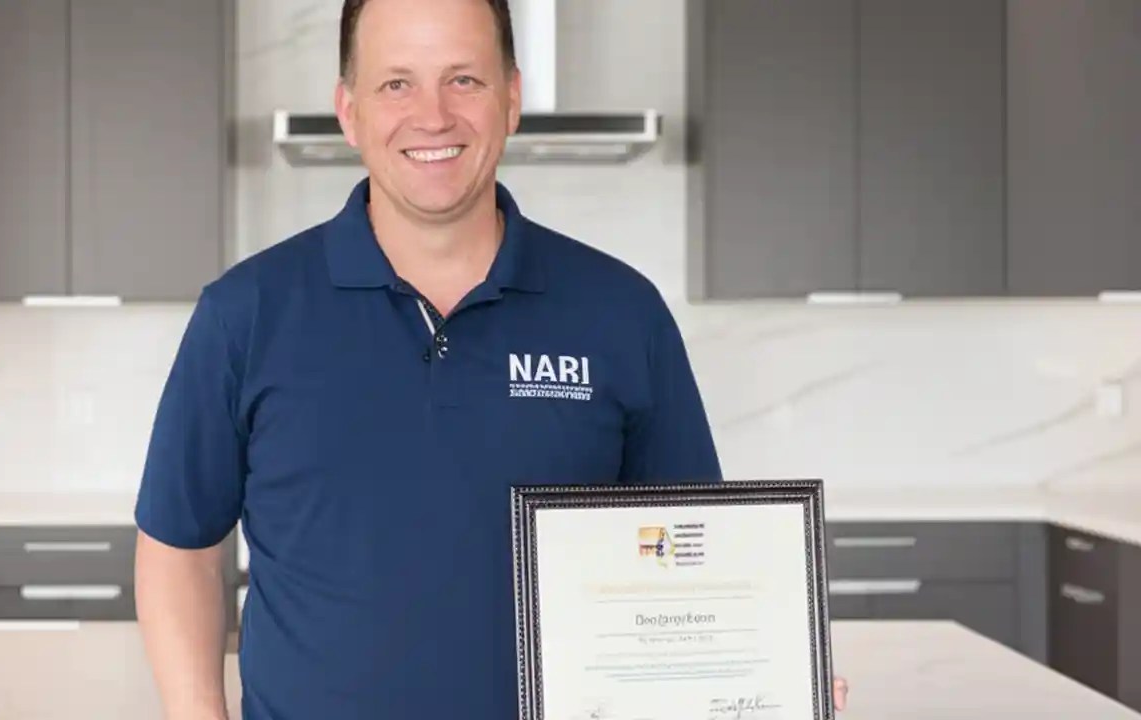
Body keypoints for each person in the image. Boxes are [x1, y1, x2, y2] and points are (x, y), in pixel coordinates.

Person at [133, 0, 848, 718]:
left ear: (511, 98)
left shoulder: (622, 313)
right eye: (397, 83)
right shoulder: (245, 314)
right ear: (349, 111)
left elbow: (693, 558)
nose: (433, 116)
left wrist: (769, 682)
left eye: (464, 80)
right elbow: (178, 547)